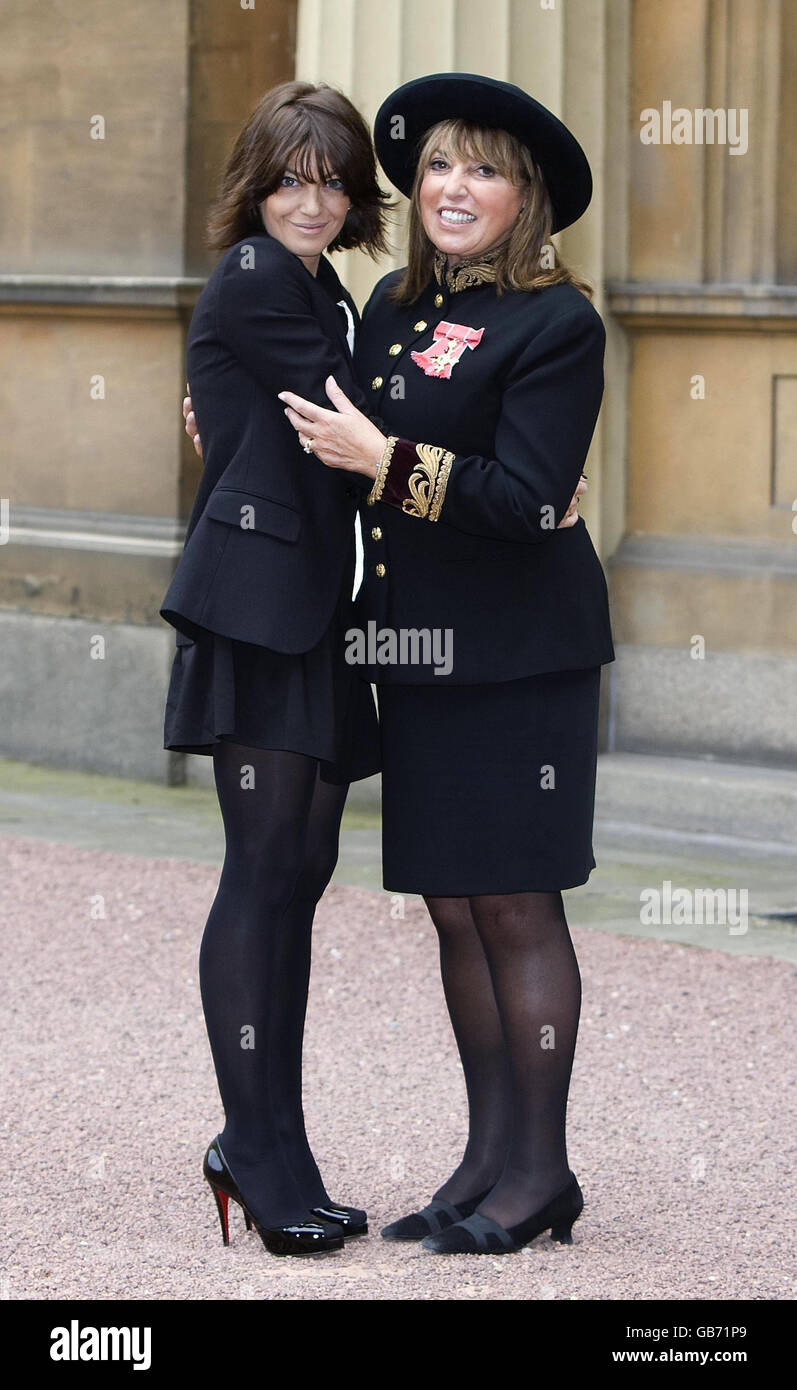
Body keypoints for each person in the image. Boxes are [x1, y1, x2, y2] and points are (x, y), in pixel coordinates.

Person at [276, 72, 617, 1256]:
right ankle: (486, 1159)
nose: (450, 188)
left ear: (525, 198)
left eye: (481, 169)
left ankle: (541, 1171)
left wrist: (387, 461)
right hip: (416, 649)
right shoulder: (391, 305)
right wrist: (228, 421)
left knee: (514, 904)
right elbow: (330, 436)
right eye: (434, 166)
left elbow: (524, 501)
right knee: (453, 909)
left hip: (520, 659)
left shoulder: (557, 324)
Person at [160, 80, 391, 1256]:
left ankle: (275, 1144)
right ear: (257, 184)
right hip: (258, 607)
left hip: (313, 607)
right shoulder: (258, 276)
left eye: (333, 182)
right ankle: (253, 1150)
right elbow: (357, 411)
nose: (312, 203)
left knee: (300, 869)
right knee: (261, 873)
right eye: (291, 180)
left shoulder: (322, 288)